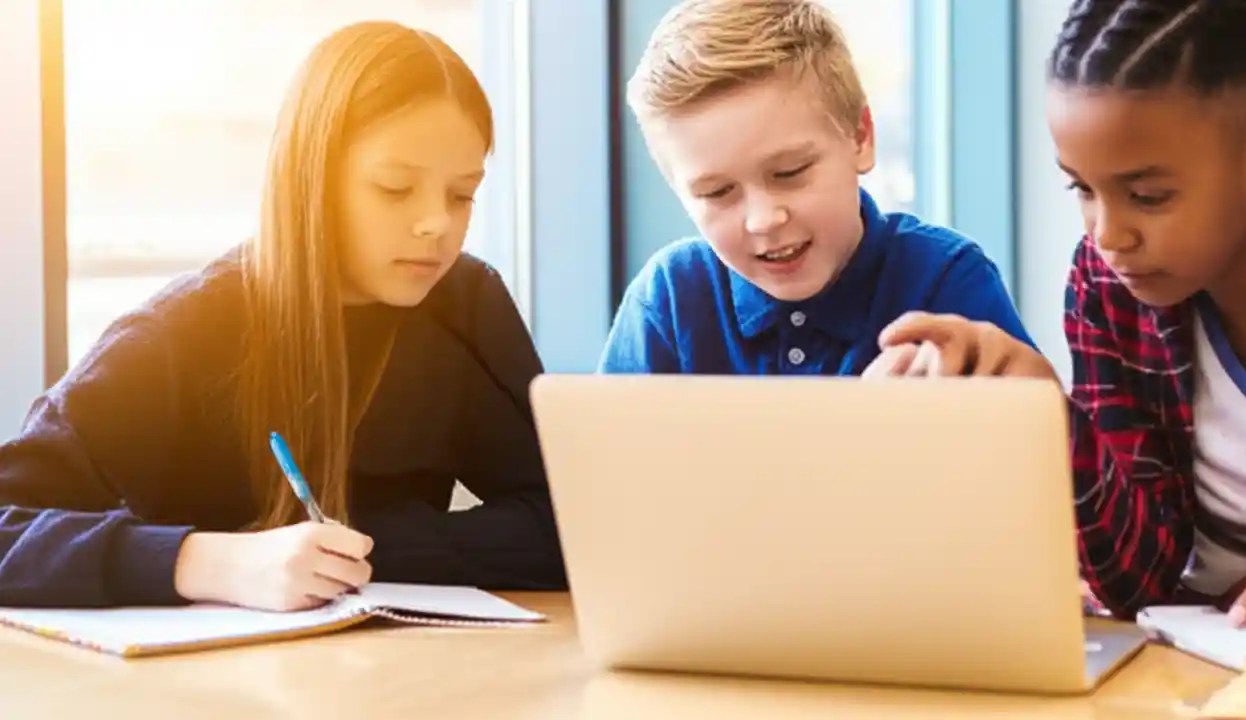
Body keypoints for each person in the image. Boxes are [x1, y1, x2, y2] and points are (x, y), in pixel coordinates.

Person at [0, 21, 565, 610]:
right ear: (310, 179)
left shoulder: (464, 303)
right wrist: (202, 560)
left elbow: (568, 524)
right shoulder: (180, 333)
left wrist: (355, 549)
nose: (437, 224)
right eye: (395, 188)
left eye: (462, 195)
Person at [886, 0, 1246, 624]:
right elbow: (1138, 582)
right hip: (1204, 660)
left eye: (1147, 196)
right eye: (1082, 188)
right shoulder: (1109, 285)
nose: (1107, 233)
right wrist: (1048, 411)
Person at [598, 0, 1034, 377]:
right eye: (717, 193)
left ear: (860, 137)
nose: (764, 219)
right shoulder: (668, 301)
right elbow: (600, 465)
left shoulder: (945, 278)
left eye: (790, 172)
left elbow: (1038, 456)